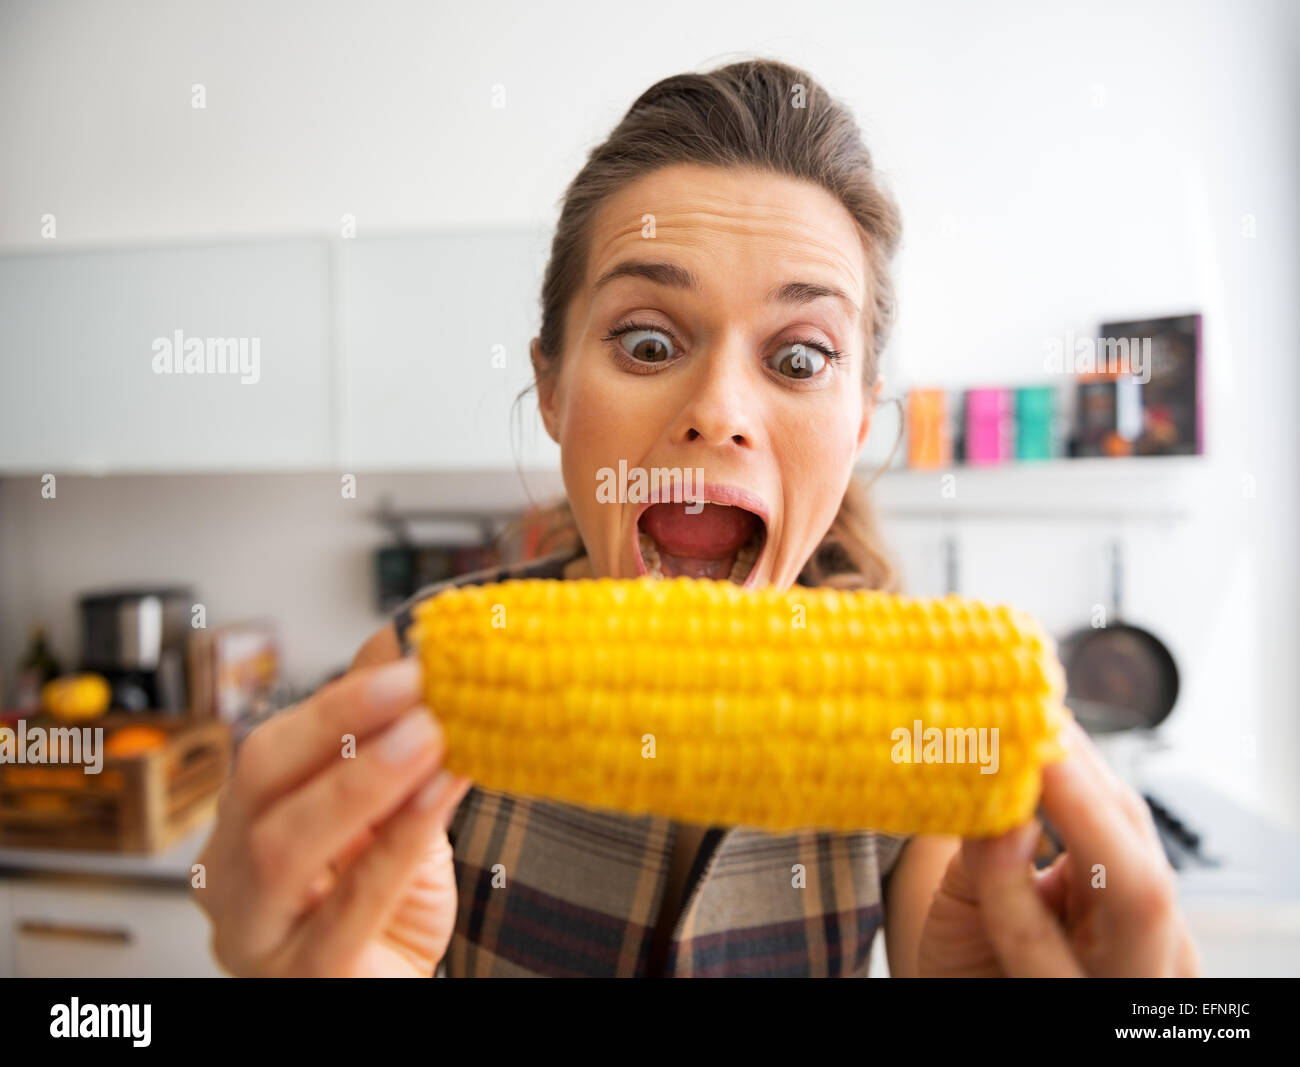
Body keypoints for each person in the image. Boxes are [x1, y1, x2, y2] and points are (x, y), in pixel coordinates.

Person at [193, 58, 1198, 978]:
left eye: (799, 358)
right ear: (551, 388)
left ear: (855, 422)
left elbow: (972, 925)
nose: (717, 408)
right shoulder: (413, 674)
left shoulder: (926, 736)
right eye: (643, 341)